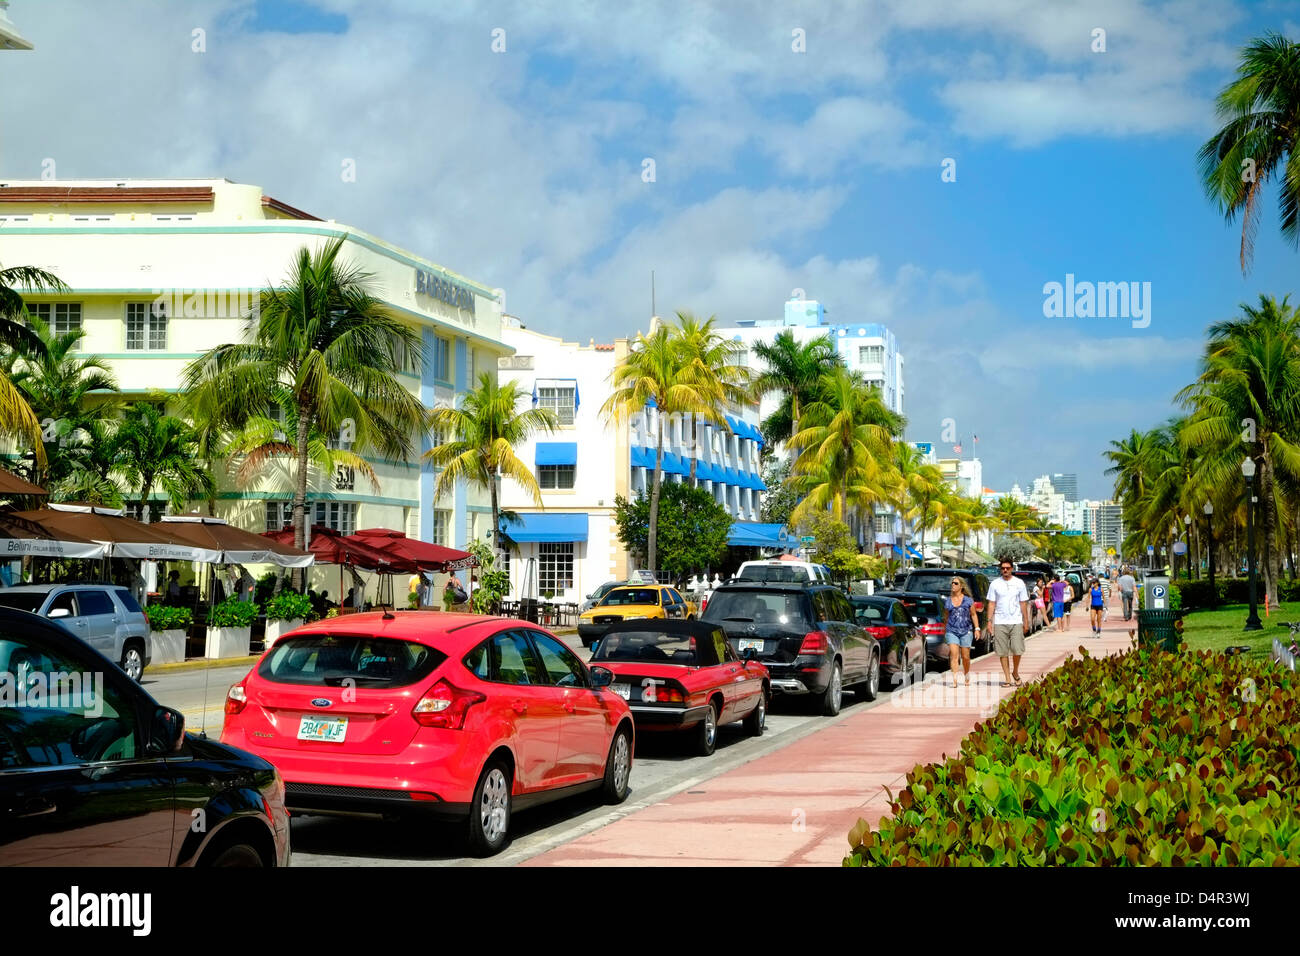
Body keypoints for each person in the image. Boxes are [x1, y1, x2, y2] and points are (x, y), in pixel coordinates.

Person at [984, 558, 1030, 687]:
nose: (1005, 570)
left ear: (1012, 569)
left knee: (1017, 649)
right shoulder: (995, 584)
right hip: (1000, 621)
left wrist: (1026, 621)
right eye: (1003, 568)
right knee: (1002, 652)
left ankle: (1015, 671)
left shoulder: (1019, 583)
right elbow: (991, 603)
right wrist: (989, 621)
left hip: (1016, 620)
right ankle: (1007, 678)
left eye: (1007, 568)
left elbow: (1023, 603)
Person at [942, 576, 979, 688]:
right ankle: (954, 679)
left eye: (956, 583)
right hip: (952, 630)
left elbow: (973, 614)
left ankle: (966, 674)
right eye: (952, 583)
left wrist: (977, 628)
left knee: (965, 656)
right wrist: (945, 630)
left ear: (961, 586)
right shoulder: (948, 601)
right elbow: (946, 616)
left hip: (966, 630)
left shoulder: (968, 600)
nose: (953, 585)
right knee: (954, 654)